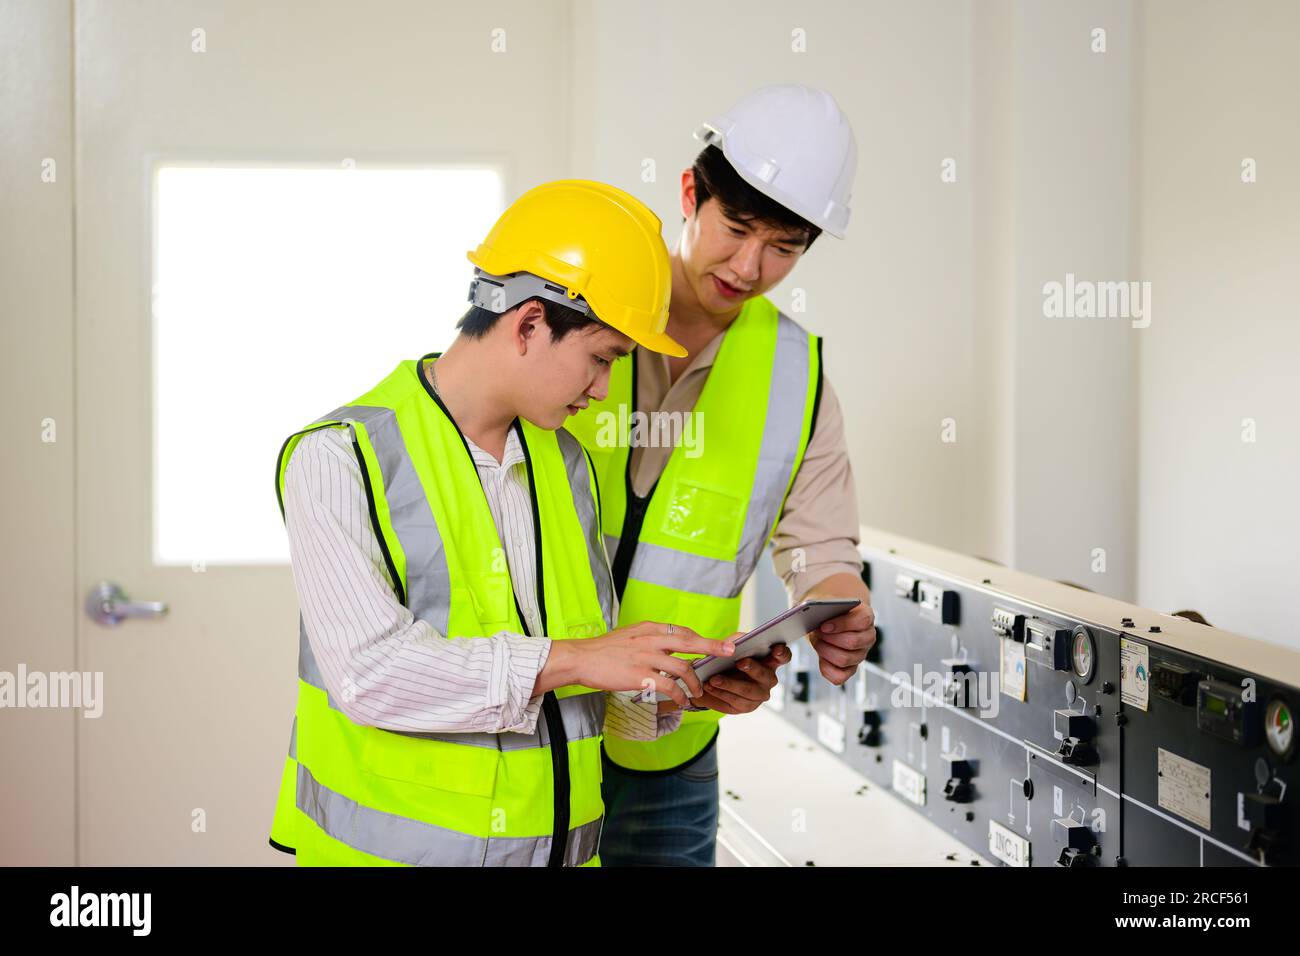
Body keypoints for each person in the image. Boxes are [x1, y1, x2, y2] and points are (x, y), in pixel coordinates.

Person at [266, 179, 733, 866]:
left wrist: (679, 690)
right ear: (529, 323)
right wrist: (576, 659)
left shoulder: (565, 465)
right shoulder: (341, 458)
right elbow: (371, 674)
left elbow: (572, 696)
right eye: (601, 358)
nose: (604, 389)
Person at [566, 85, 877, 866]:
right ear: (688, 195)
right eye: (735, 229)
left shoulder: (797, 376)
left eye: (783, 246)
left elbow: (819, 548)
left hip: (668, 749)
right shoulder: (575, 311)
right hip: (536, 727)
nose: (749, 266)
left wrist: (836, 606)